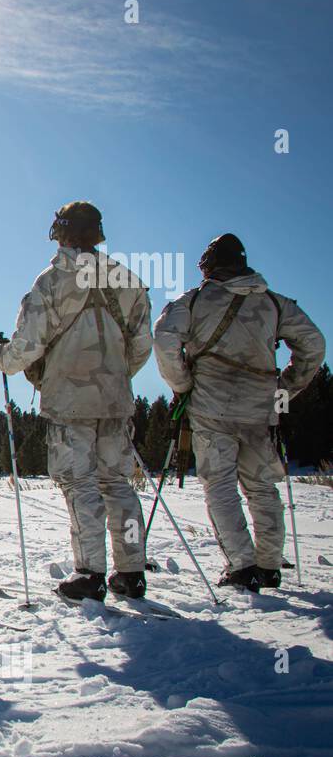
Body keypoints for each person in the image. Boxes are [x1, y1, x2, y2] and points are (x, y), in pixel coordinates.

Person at [0, 201, 152, 602]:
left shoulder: (51, 282)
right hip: (115, 400)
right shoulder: (127, 280)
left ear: (59, 232)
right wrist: (116, 376)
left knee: (80, 485)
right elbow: (142, 343)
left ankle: (90, 573)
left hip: (68, 400)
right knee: (118, 484)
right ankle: (131, 573)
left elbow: (26, 347)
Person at [152, 233, 324, 592]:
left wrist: (182, 383)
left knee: (221, 487)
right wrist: (287, 387)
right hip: (262, 408)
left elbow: (165, 337)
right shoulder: (274, 304)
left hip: (212, 406)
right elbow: (314, 342)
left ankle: (242, 566)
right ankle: (270, 565)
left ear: (210, 266)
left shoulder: (196, 300)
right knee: (262, 486)